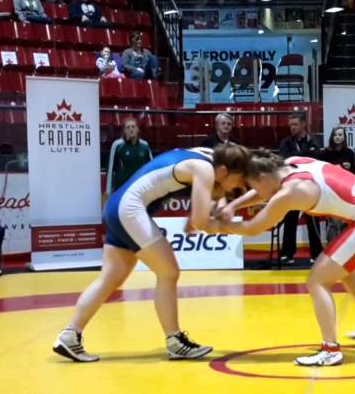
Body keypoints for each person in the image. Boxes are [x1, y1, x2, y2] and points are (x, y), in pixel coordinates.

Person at [52, 144, 251, 363]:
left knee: (111, 277)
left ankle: (70, 335)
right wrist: (230, 226)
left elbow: (215, 193)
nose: (238, 188)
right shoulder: (204, 169)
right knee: (168, 273)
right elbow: (201, 221)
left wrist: (214, 210)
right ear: (224, 171)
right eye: (240, 181)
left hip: (117, 205)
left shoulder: (207, 157)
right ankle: (175, 341)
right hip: (130, 209)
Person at [213, 152, 355, 367]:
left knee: (317, 281)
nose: (254, 192)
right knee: (340, 265)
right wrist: (232, 206)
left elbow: (255, 227)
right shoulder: (292, 162)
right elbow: (266, 193)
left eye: (253, 185)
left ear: (263, 177)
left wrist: (218, 227)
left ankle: (330, 349)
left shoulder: (292, 192)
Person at [276, 113, 322, 264]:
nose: (292, 127)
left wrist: (297, 157)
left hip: (310, 186)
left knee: (313, 220)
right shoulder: (286, 143)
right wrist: (304, 156)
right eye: (291, 125)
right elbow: (285, 161)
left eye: (295, 124)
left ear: (303, 124)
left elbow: (316, 159)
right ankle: (287, 254)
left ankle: (316, 254)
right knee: (290, 220)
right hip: (292, 186)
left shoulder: (313, 141)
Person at [106, 118, 154, 196]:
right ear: (124, 131)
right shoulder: (117, 145)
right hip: (122, 188)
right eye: (128, 127)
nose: (131, 129)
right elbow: (111, 170)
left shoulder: (145, 145)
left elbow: (151, 169)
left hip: (140, 188)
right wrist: (108, 192)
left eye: (133, 127)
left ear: (138, 129)